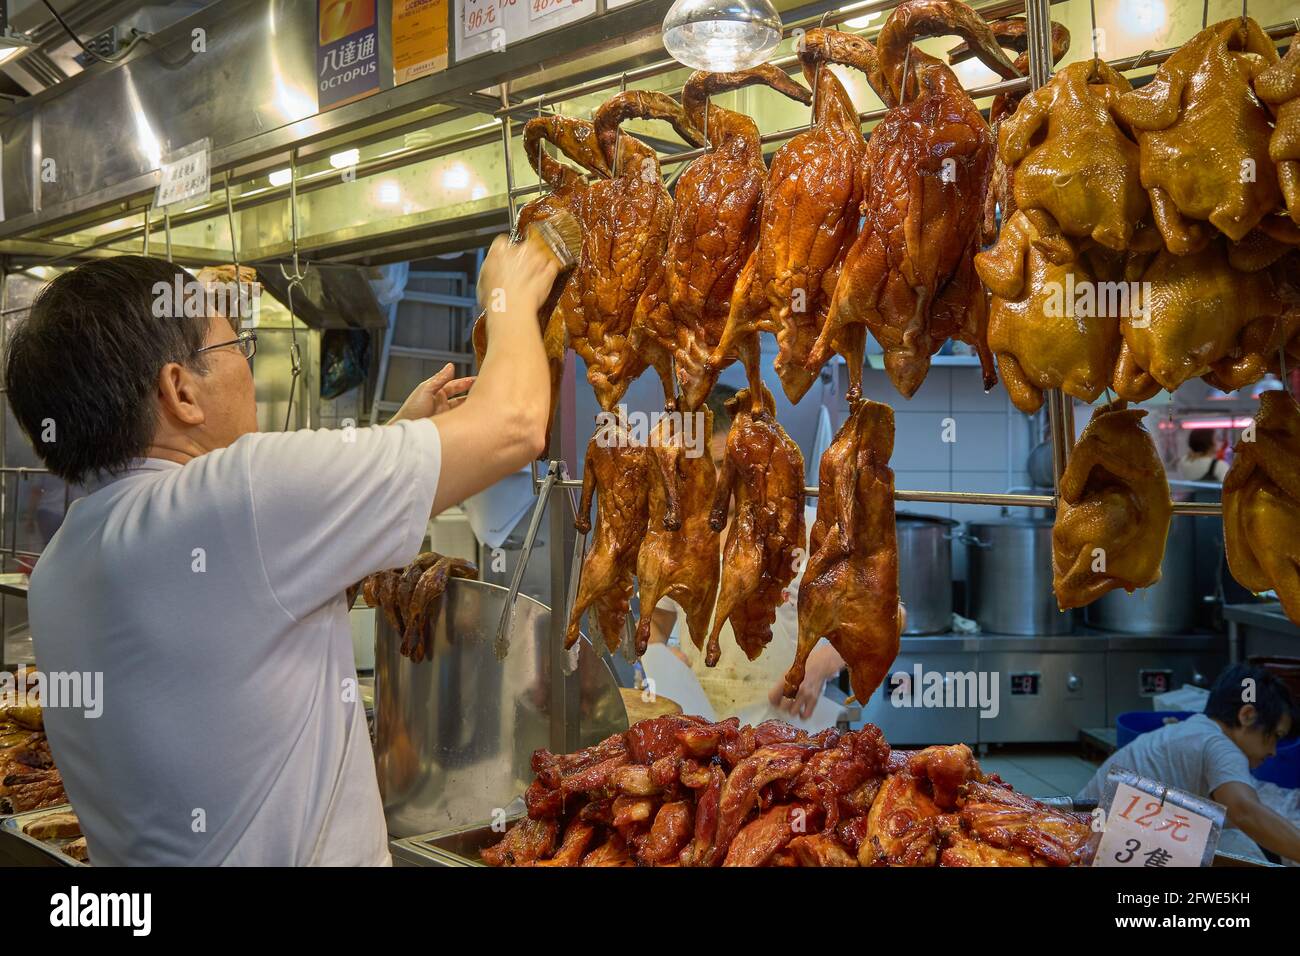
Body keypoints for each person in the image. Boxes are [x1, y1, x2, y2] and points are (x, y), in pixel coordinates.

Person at [3, 239, 557, 865]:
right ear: (181, 392)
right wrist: (508, 296)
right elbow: (516, 425)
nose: (245, 360)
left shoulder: (62, 564)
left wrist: (396, 446)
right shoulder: (233, 496)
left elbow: (269, 606)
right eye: (236, 345)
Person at [646, 385, 847, 724]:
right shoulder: (677, 540)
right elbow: (654, 625)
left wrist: (821, 664)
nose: (718, 482)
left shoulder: (810, 531)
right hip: (702, 729)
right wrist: (660, 657)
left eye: (727, 465)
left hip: (790, 733)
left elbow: (885, 617)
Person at [1078, 664, 1300, 863]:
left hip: (1078, 833)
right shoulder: (1221, 746)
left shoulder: (1193, 729)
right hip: (1094, 849)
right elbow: (1246, 812)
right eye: (1275, 736)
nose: (1272, 751)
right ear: (1247, 716)